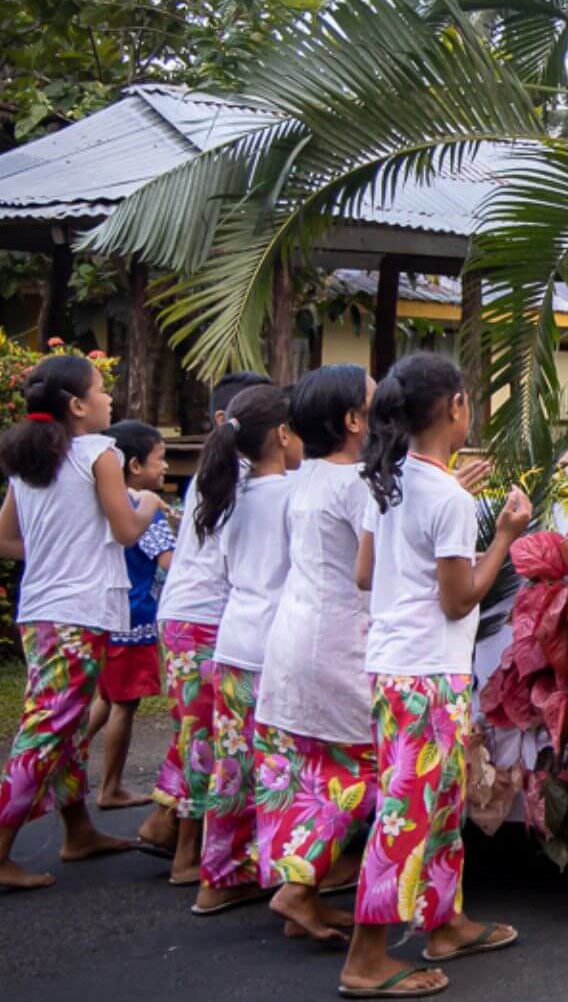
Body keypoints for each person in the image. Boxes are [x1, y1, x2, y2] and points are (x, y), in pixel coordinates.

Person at [340, 353, 528, 999]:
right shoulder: (446, 497)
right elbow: (458, 598)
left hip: (395, 669)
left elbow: (367, 574)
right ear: (454, 409)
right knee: (408, 814)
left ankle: (444, 921)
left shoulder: (388, 480)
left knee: (440, 802)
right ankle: (366, 958)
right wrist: (502, 534)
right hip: (428, 673)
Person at [0, 355, 165, 890]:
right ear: (77, 406)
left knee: (69, 725)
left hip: (40, 611)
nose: (108, 399)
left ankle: (78, 832)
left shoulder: (30, 459)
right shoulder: (100, 453)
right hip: (80, 613)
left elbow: (3, 543)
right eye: (101, 391)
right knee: (48, 727)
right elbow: (126, 531)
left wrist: (58, 548)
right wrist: (146, 503)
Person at [252, 364, 379, 943]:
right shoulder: (359, 485)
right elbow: (368, 572)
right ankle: (298, 888)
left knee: (313, 772)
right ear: (354, 421)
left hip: (294, 634)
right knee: (371, 770)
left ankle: (301, 891)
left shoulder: (302, 478)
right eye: (378, 403)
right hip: (337, 643)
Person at [139, 370, 271, 883]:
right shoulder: (241, 476)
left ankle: (164, 824)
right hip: (204, 620)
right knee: (208, 740)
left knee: (198, 731)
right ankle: (187, 855)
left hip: (185, 617)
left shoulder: (214, 472)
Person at [190, 384, 302, 916]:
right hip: (276, 647)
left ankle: (218, 875)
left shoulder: (226, 493)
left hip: (233, 641)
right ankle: (285, 875)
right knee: (281, 766)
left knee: (232, 766)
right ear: (283, 434)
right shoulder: (295, 496)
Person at [86, 419, 174, 812]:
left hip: (106, 615)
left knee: (106, 697)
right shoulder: (144, 507)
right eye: (161, 459)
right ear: (135, 465)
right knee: (125, 704)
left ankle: (64, 756)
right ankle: (110, 787)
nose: (166, 467)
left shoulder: (107, 501)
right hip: (135, 617)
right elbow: (170, 562)